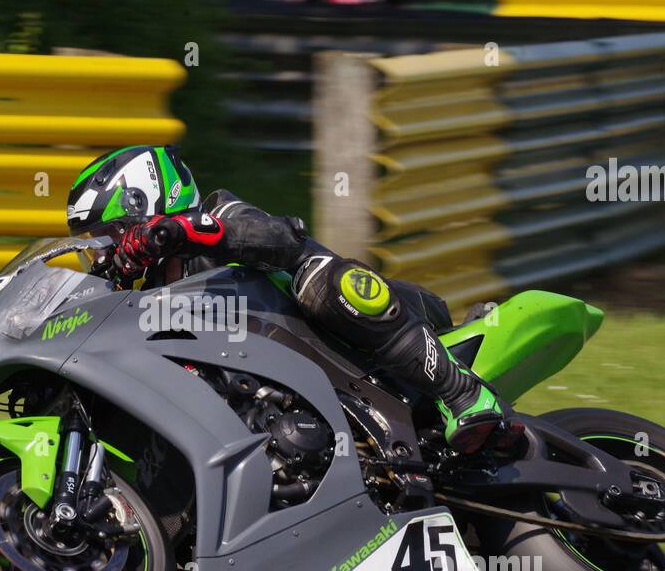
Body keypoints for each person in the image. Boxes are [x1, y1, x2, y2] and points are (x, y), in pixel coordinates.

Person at [65, 145, 521, 455]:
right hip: (285, 410)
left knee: (324, 279)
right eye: (97, 243)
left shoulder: (220, 214)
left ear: (143, 204)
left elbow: (279, 238)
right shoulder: (150, 300)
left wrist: (181, 231)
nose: (106, 250)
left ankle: (463, 392)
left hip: (362, 345)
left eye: (109, 234)